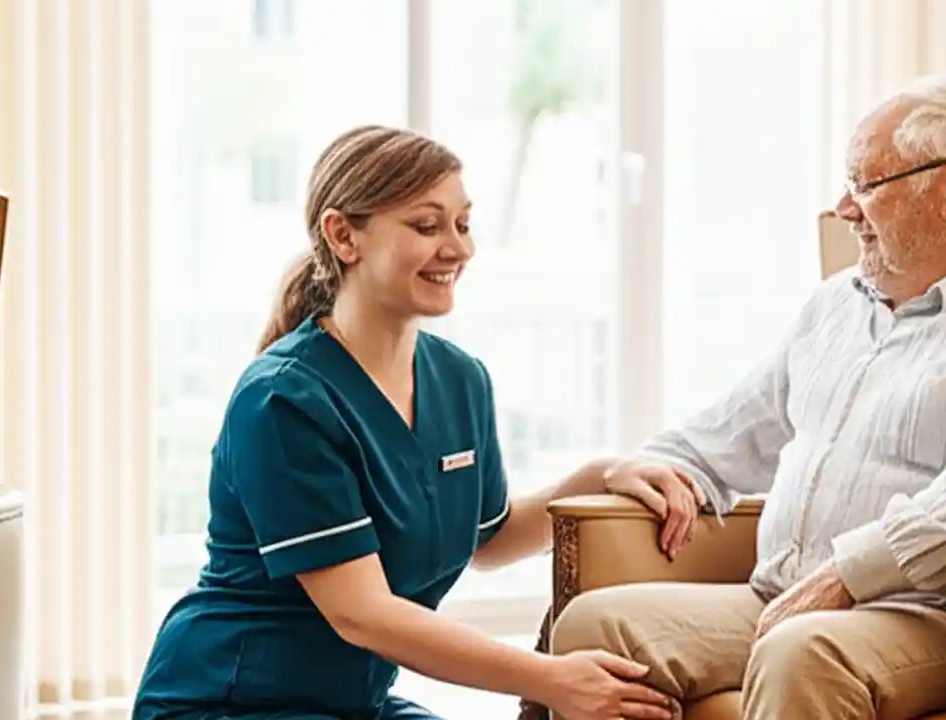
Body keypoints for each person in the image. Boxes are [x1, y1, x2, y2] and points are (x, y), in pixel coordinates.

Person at [546, 76, 946, 719]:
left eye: (867, 185)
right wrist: (660, 463)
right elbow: (741, 429)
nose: (845, 207)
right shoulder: (840, 303)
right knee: (594, 629)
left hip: (939, 617)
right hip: (784, 596)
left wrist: (849, 573)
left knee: (801, 652)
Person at [132, 125, 704, 720]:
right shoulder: (283, 400)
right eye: (426, 226)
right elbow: (362, 613)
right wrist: (551, 679)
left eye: (462, 223)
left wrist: (603, 473)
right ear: (342, 235)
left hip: (354, 704)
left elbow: (489, 537)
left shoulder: (460, 379)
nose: (458, 248)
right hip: (231, 701)